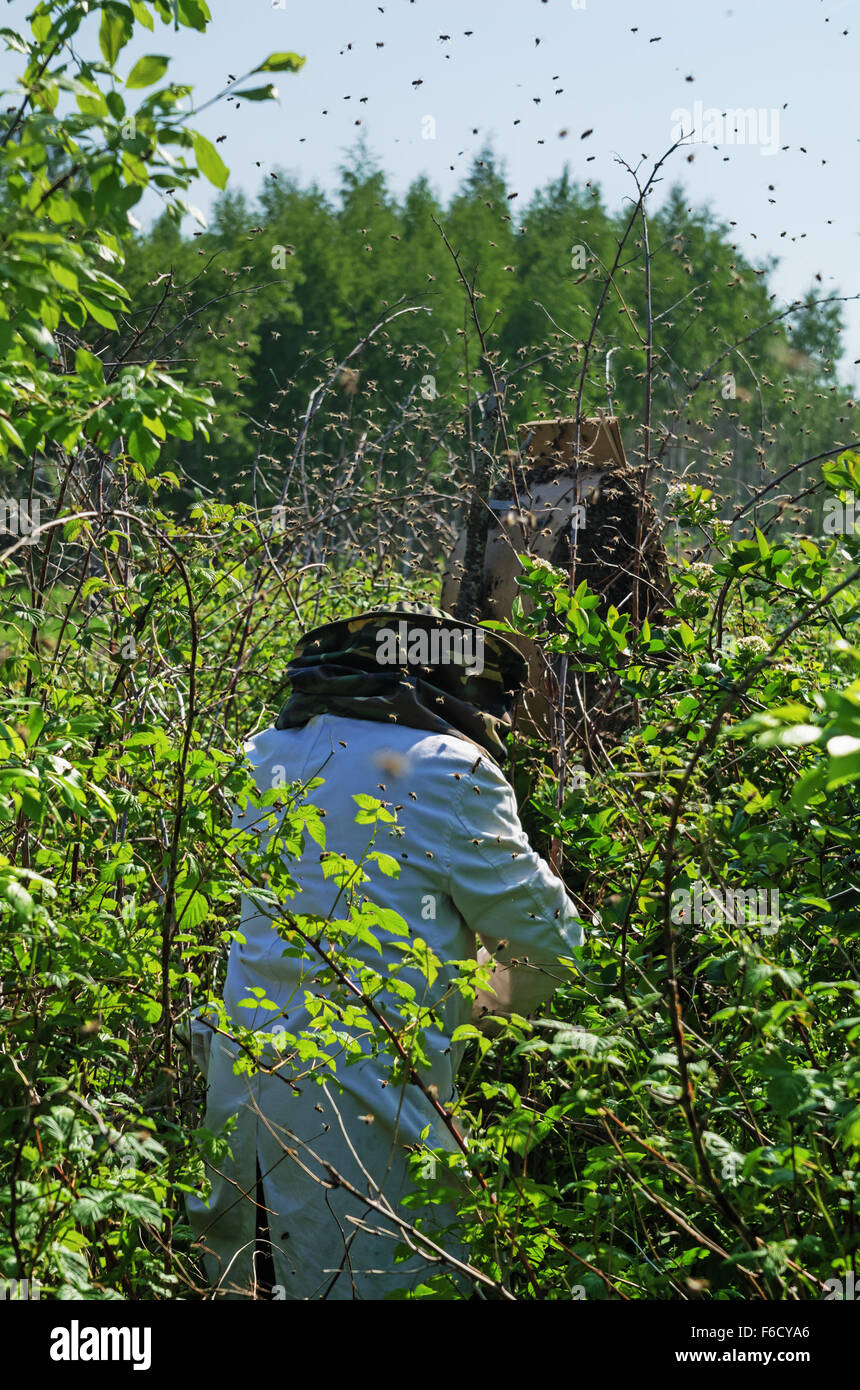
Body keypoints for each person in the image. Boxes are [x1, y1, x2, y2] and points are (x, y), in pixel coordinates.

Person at [186, 604, 584, 1299]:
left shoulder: (259, 758)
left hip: (241, 1102)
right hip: (369, 1124)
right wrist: (480, 1012)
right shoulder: (450, 769)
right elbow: (550, 945)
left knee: (243, 1282)